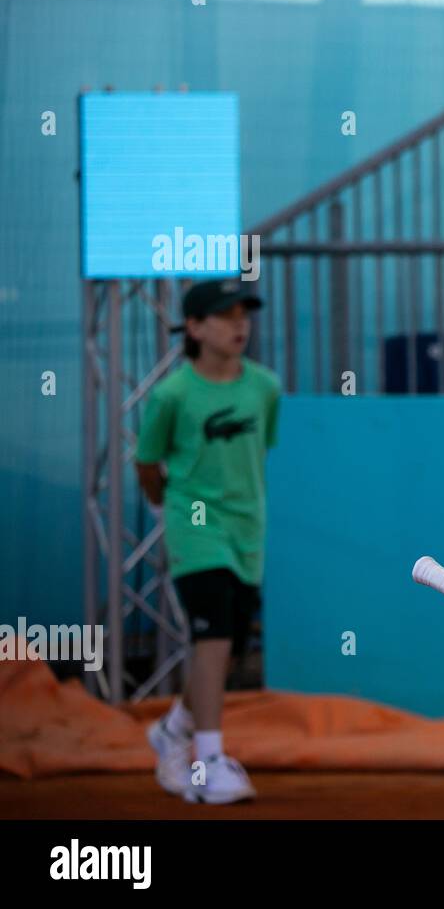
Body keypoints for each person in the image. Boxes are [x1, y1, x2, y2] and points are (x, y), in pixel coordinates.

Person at [135, 278, 281, 804]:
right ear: (194, 328)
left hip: (247, 532)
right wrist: (166, 508)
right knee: (213, 635)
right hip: (195, 529)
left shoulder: (265, 387)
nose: (238, 324)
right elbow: (147, 463)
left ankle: (172, 729)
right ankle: (208, 760)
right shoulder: (172, 394)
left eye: (244, 314)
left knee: (230, 646)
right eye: (224, 315)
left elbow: (259, 450)